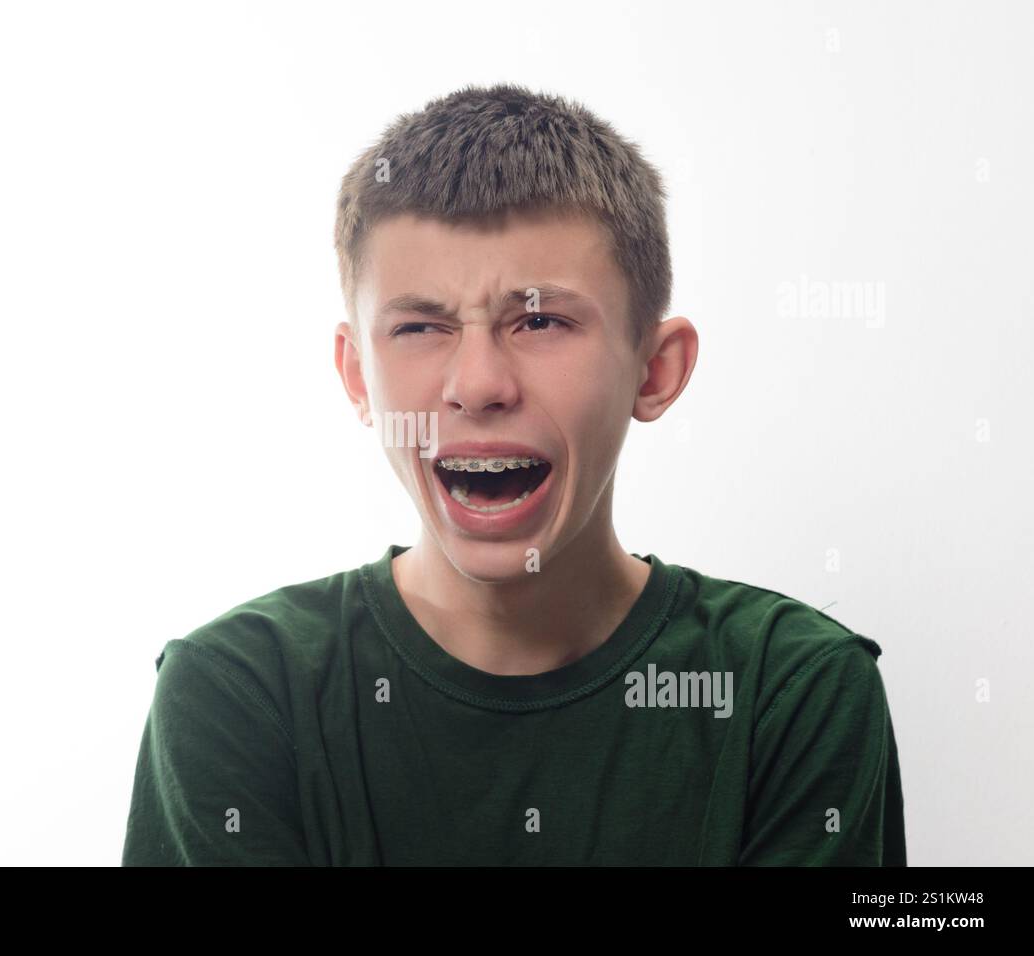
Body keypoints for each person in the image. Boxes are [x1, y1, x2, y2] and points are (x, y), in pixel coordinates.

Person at [120, 83, 906, 866]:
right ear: (359, 378)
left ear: (655, 371)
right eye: (420, 326)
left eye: (539, 321)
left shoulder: (791, 692)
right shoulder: (236, 696)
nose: (478, 383)